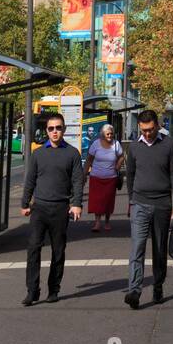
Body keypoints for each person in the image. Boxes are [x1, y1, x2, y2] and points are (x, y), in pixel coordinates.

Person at [21, 113, 83, 306]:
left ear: (63, 129)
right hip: (39, 208)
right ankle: (32, 291)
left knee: (58, 251)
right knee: (33, 249)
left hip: (60, 208)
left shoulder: (72, 153)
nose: (55, 132)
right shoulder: (38, 154)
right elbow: (30, 180)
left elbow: (77, 181)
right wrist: (25, 203)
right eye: (51, 128)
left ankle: (53, 289)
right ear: (46, 131)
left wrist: (76, 204)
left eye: (58, 128)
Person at [125, 108, 173, 309]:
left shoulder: (168, 145)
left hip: (162, 205)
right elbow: (129, 175)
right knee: (137, 248)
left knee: (159, 249)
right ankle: (134, 290)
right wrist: (132, 199)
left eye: (150, 129)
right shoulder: (133, 147)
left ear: (157, 125)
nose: (147, 134)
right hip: (140, 203)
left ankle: (158, 285)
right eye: (143, 130)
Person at [84, 123, 124, 233]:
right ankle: (97, 222)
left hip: (111, 178)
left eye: (111, 134)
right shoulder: (96, 144)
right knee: (97, 201)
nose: (110, 136)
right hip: (96, 177)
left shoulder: (116, 144)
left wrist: (117, 165)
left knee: (108, 201)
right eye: (108, 134)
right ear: (102, 134)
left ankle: (107, 221)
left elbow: (121, 157)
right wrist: (84, 174)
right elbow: (89, 159)